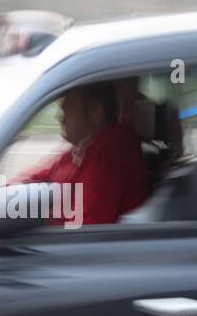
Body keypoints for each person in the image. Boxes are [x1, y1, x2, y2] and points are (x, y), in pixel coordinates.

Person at [15, 80, 149, 225]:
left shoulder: (107, 159)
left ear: (95, 112)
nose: (60, 118)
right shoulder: (83, 147)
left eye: (68, 108)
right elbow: (45, 172)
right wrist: (8, 190)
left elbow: (84, 230)